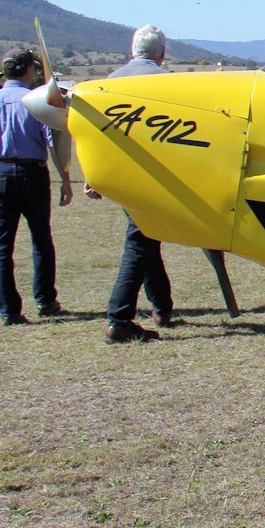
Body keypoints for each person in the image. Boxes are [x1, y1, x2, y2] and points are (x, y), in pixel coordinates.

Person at [94, 26, 176, 343]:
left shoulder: (110, 81)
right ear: (162, 53)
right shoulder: (169, 84)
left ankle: (161, 307)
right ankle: (119, 319)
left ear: (132, 49)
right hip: (151, 177)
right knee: (140, 243)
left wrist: (96, 178)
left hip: (119, 176)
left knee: (146, 238)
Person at [0, 48, 73, 325]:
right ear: (29, 71)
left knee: (1, 246)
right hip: (33, 175)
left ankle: (8, 310)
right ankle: (45, 300)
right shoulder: (34, 101)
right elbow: (53, 141)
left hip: (0, 174)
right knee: (41, 239)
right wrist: (65, 179)